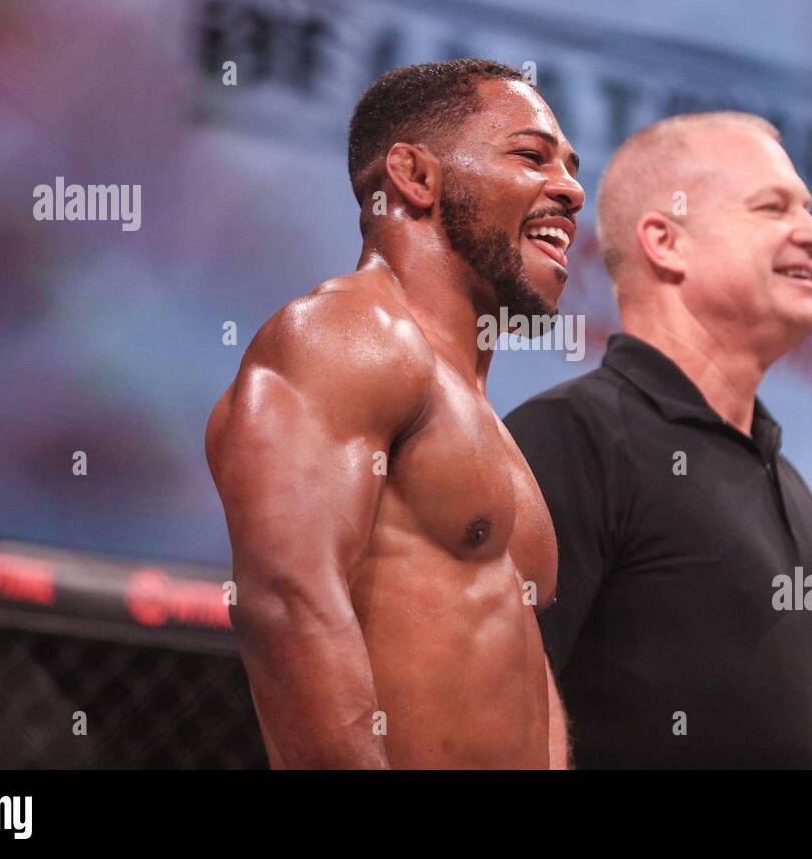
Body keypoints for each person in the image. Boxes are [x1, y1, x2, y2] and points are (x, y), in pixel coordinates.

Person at [205, 59, 583, 768]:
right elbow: (288, 603)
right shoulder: (343, 338)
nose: (570, 188)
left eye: (567, 165)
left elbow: (519, 671)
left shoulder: (482, 422)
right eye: (532, 156)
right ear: (415, 177)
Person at [505, 112, 812, 768]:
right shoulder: (569, 440)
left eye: (807, 208)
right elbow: (495, 715)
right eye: (773, 207)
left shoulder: (789, 484)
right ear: (667, 242)